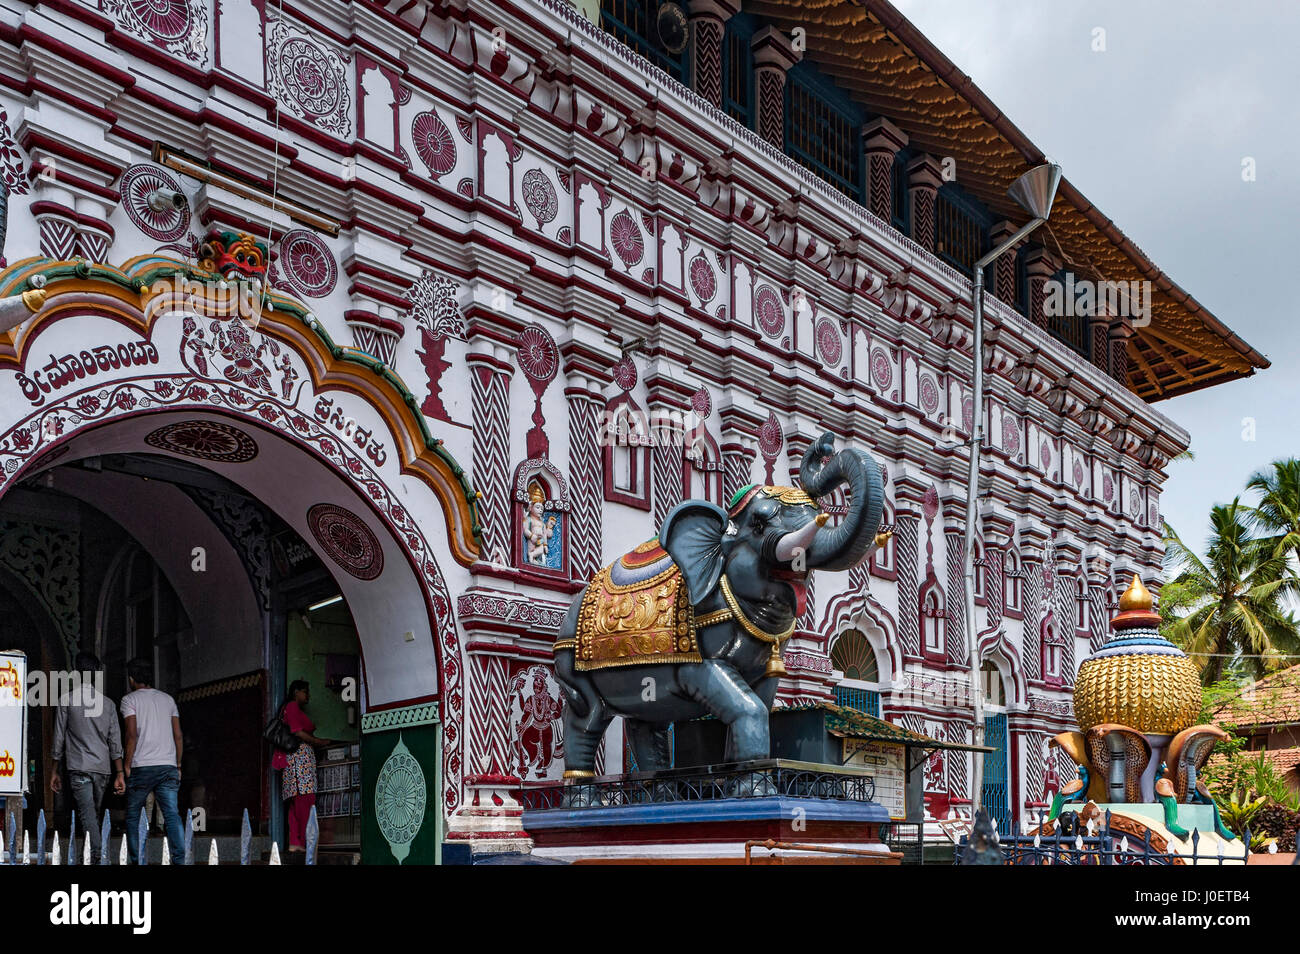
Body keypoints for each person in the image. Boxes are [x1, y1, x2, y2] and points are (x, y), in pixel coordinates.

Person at [51, 652, 124, 864]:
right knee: (91, 815)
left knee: (88, 815)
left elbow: (58, 739)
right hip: (102, 768)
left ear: (76, 672)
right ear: (97, 674)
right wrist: (119, 773)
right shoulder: (108, 704)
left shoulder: (67, 700)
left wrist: (54, 770)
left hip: (80, 766)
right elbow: (115, 742)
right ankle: (91, 857)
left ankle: (96, 856)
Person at [121, 658, 185, 864]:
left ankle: (137, 859)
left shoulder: (129, 700)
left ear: (132, 678)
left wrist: (127, 764)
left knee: (132, 815)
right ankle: (179, 860)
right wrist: (178, 764)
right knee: (172, 815)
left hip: (142, 766)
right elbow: (178, 735)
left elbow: (131, 735)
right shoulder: (168, 700)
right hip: (168, 766)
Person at [273, 680, 332, 854]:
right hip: (299, 763)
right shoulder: (291, 707)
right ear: (296, 692)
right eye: (305, 692)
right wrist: (319, 742)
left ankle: (295, 842)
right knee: (304, 802)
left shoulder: (291, 709)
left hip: (297, 763)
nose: (308, 696)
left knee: (296, 804)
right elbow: (298, 732)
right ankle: (306, 844)